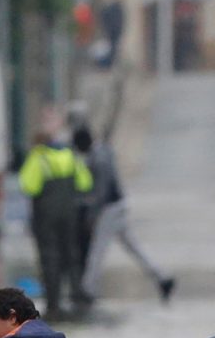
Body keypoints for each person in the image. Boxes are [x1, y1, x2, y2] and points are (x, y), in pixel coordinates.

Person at [74, 126, 175, 303]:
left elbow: (101, 192)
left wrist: (91, 215)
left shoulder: (97, 159)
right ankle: (162, 278)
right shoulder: (104, 151)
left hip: (108, 209)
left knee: (97, 251)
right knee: (134, 247)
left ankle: (87, 289)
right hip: (119, 205)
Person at [18, 130, 93, 318]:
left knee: (49, 257)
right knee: (71, 254)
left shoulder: (38, 157)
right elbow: (85, 183)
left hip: (46, 215)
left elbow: (28, 186)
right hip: (70, 214)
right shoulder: (71, 156)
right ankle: (77, 295)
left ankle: (54, 303)